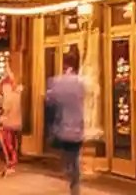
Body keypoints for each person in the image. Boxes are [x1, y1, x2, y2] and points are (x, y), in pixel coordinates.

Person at [46, 52, 85, 195]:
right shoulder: (81, 83)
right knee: (74, 157)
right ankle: (74, 186)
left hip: (62, 128)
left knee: (66, 157)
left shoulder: (57, 82)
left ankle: (68, 177)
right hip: (78, 129)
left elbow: (50, 102)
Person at [0, 70, 23, 171]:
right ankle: (13, 160)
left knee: (7, 141)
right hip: (16, 121)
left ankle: (10, 160)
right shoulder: (17, 92)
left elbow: (6, 108)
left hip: (8, 121)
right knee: (12, 141)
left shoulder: (8, 93)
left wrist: (1, 115)